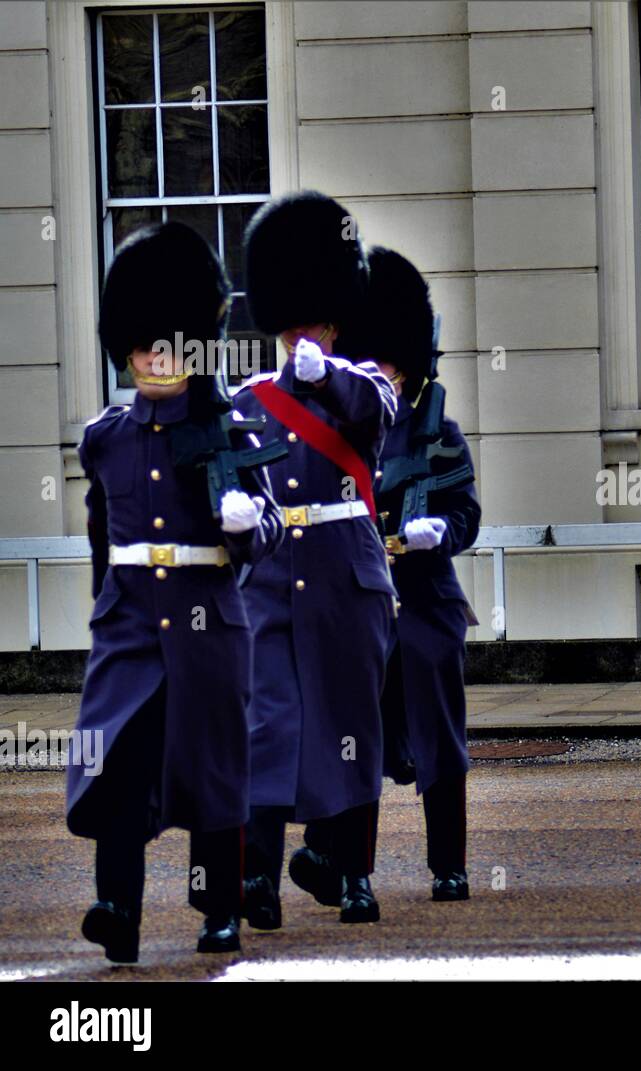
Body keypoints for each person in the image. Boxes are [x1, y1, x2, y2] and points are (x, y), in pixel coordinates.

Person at [69, 221, 283, 962]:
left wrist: (247, 521)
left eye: (170, 347)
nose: (157, 361)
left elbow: (272, 530)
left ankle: (218, 910)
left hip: (207, 619)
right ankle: (116, 905)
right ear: (125, 350)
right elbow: (104, 538)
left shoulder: (233, 431)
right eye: (144, 348)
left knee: (212, 770)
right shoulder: (105, 437)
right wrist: (104, 616)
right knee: (115, 759)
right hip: (130, 621)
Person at [235, 191, 398, 927]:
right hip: (270, 575)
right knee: (268, 725)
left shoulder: (358, 385)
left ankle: (355, 874)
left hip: (345, 569)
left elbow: (376, 413)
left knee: (350, 724)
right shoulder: (248, 400)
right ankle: (257, 880)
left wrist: (324, 373)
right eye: (293, 326)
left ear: (335, 323)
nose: (303, 336)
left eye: (317, 324)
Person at [302, 247, 482, 903]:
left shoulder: (437, 432)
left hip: (424, 595)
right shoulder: (331, 435)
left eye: (384, 364)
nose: (375, 375)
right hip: (357, 600)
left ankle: (449, 864)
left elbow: (464, 511)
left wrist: (441, 532)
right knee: (352, 736)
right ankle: (352, 872)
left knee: (440, 734)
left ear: (405, 367)